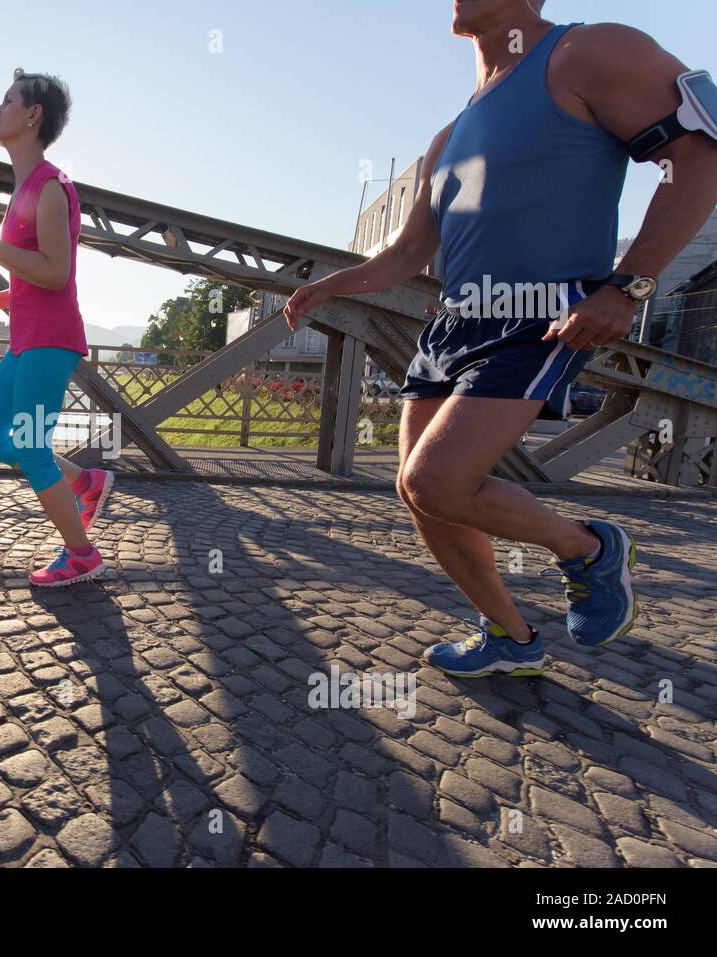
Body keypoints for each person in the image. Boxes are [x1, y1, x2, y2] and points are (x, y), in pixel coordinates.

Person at [284, 0, 717, 677]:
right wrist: (335, 284)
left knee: (439, 478)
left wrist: (628, 286)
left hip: (541, 312)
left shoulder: (588, 52)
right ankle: (511, 636)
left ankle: (589, 548)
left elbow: (698, 157)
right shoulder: (451, 133)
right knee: (418, 490)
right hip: (454, 322)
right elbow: (406, 255)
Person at [0, 69, 114, 588]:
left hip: (51, 339)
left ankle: (82, 555)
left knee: (31, 444)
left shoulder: (51, 186)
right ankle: (85, 481)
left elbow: (58, 273)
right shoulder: (22, 190)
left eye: (7, 102)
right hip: (26, 337)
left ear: (33, 115)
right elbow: (36, 271)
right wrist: (2, 297)